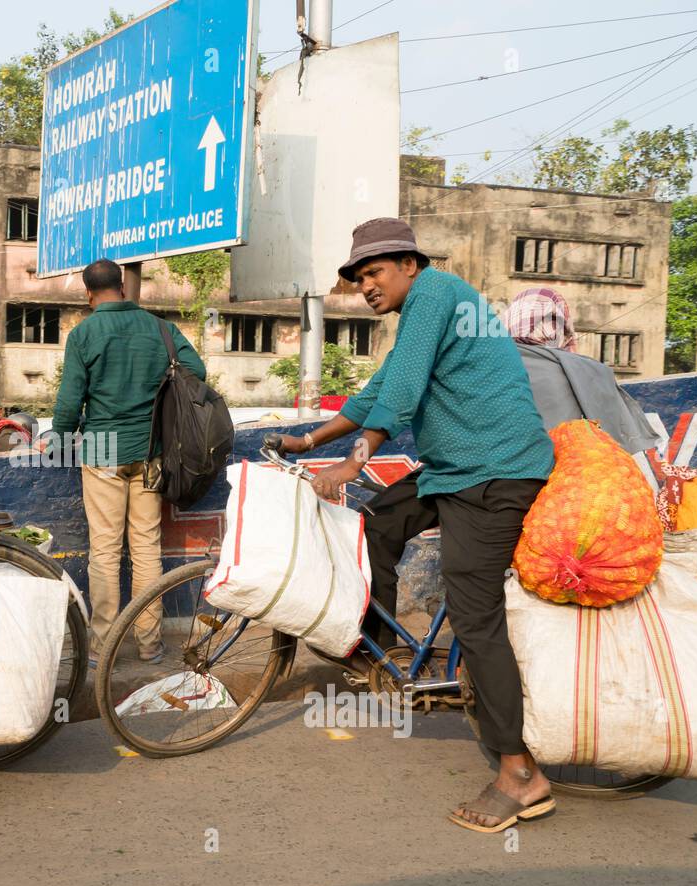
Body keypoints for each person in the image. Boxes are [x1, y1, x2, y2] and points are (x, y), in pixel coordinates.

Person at [272, 218, 556, 834]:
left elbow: (400, 390)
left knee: (474, 612)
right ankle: (380, 650)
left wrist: (355, 457)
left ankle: (519, 773)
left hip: (494, 472)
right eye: (358, 278)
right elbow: (380, 386)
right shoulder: (423, 311)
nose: (366, 287)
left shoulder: (435, 294)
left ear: (408, 264)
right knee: (376, 517)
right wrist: (309, 437)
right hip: (452, 468)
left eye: (373, 273)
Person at [51, 259, 205, 665]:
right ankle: (150, 643)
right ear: (122, 286)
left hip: (102, 447)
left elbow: (68, 404)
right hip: (152, 449)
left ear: (88, 293)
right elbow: (197, 371)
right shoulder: (159, 328)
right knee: (147, 547)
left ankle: (103, 647)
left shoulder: (83, 333)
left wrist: (58, 438)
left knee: (103, 551)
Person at [502, 287, 659, 455]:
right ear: (564, 327)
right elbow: (617, 443)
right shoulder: (590, 371)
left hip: (500, 474)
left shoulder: (487, 366)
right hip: (575, 472)